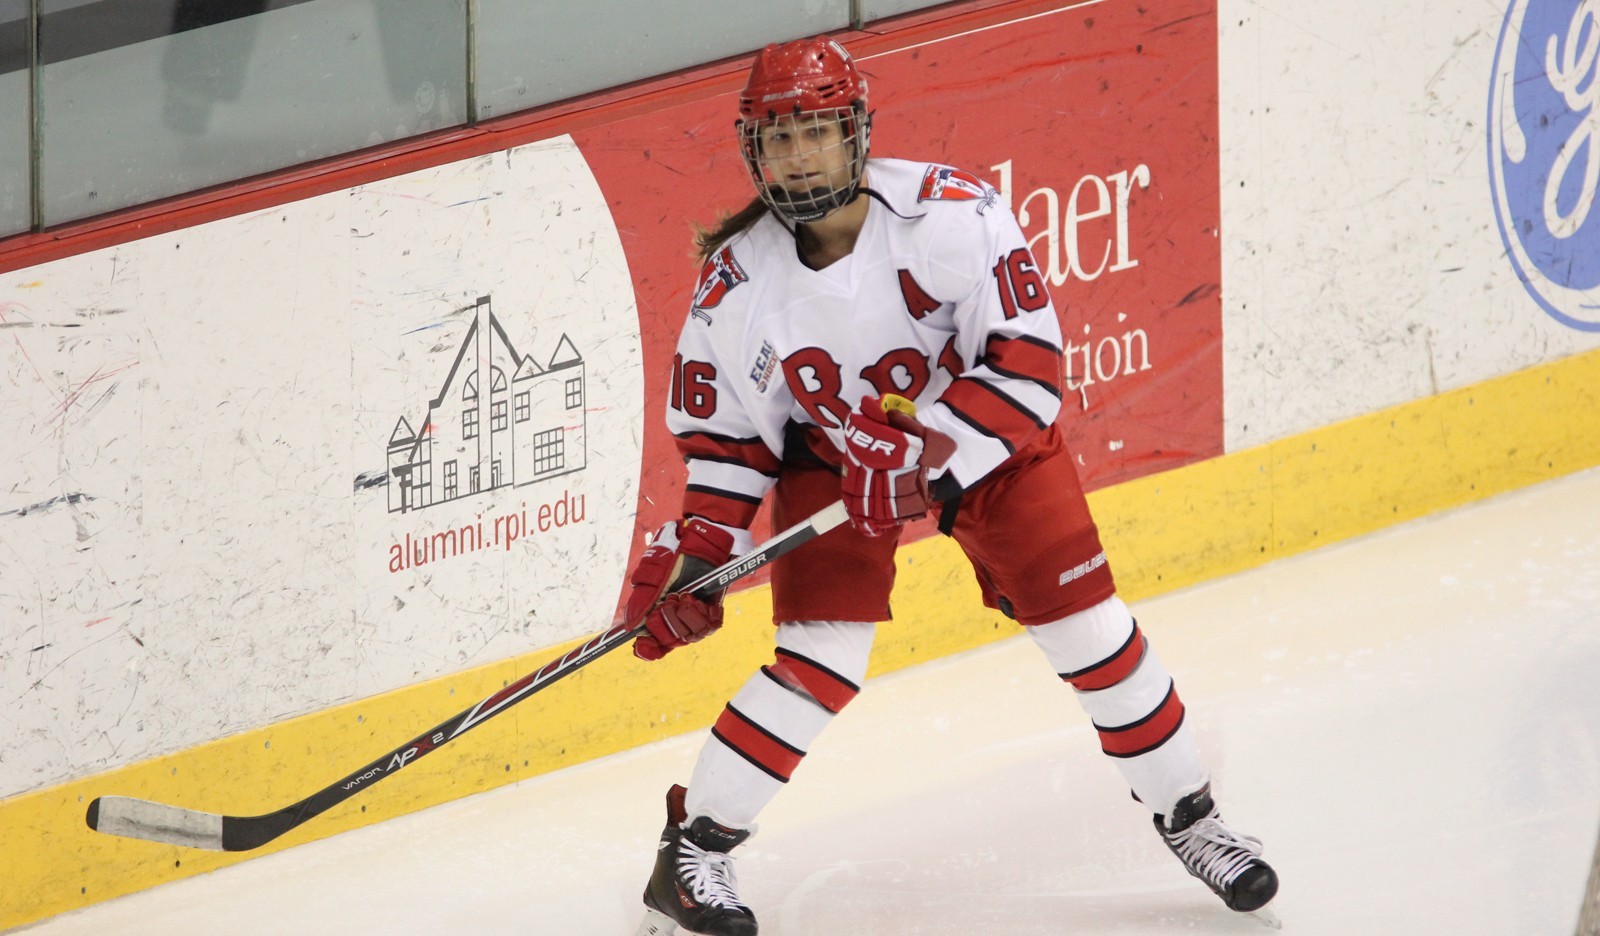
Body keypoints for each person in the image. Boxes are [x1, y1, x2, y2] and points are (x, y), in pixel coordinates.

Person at [624, 36, 1279, 936]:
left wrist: (927, 450)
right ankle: (693, 854)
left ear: (854, 132)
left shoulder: (952, 216)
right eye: (777, 139)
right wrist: (698, 557)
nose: (798, 156)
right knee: (820, 659)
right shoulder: (734, 285)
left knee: (1090, 633)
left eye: (814, 132)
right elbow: (729, 443)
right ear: (753, 151)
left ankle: (1193, 820)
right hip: (837, 466)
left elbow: (1031, 364)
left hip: (991, 448)